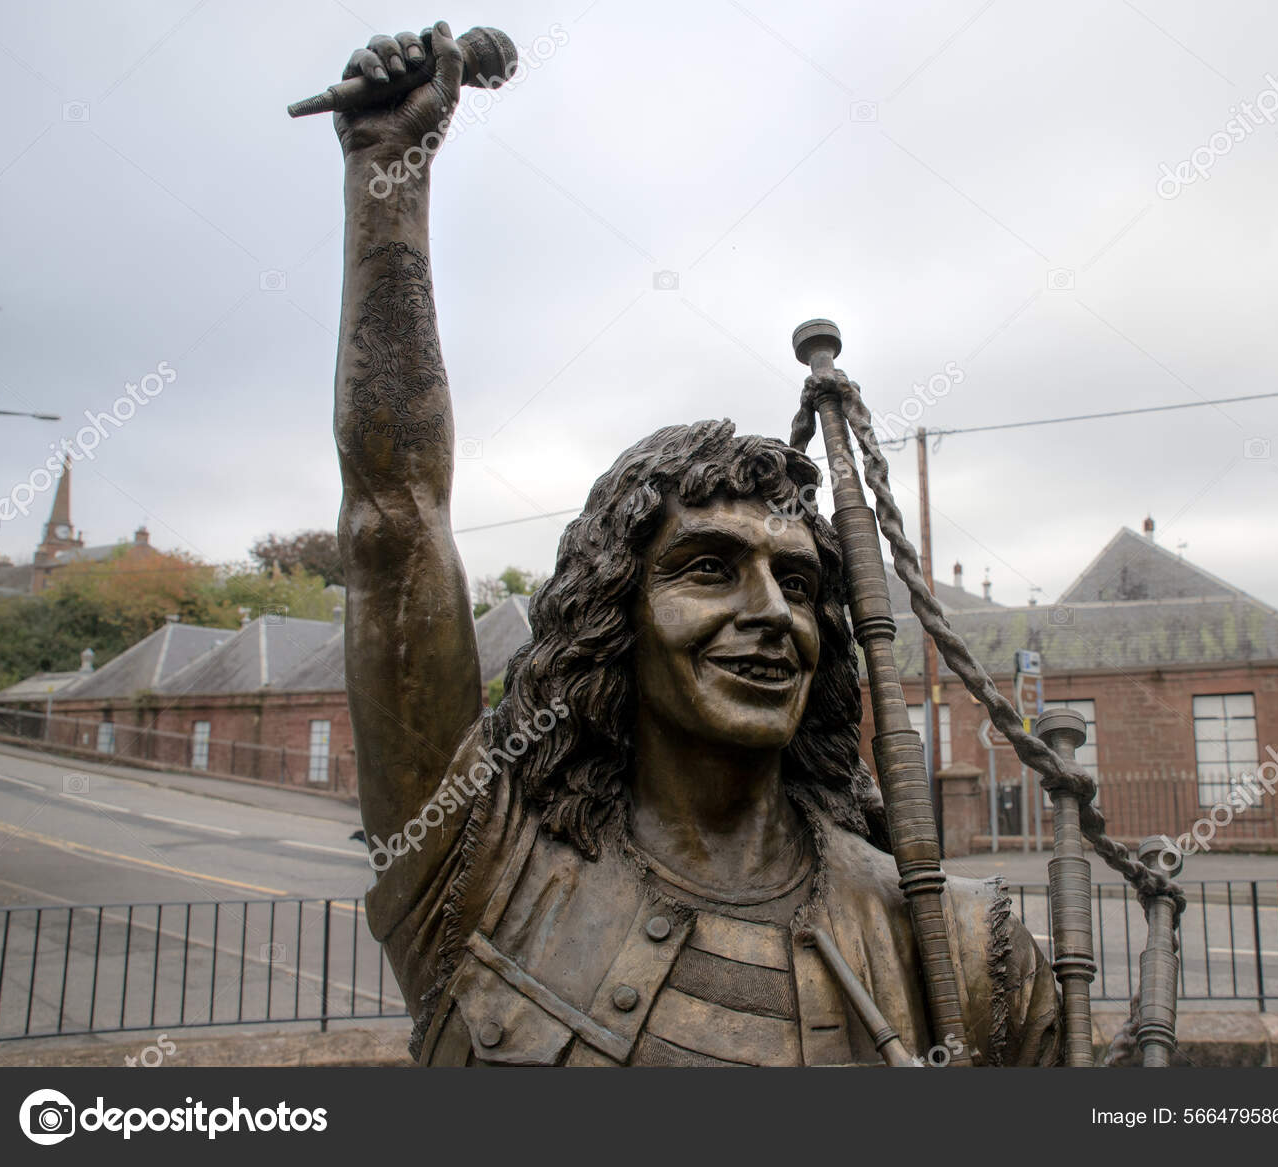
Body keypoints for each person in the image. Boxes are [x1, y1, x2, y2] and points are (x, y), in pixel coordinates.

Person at [332, 22, 1063, 1066]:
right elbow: (391, 520)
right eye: (709, 569)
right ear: (610, 621)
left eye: (799, 584)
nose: (771, 614)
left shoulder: (956, 947)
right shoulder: (481, 874)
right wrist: (386, 181)